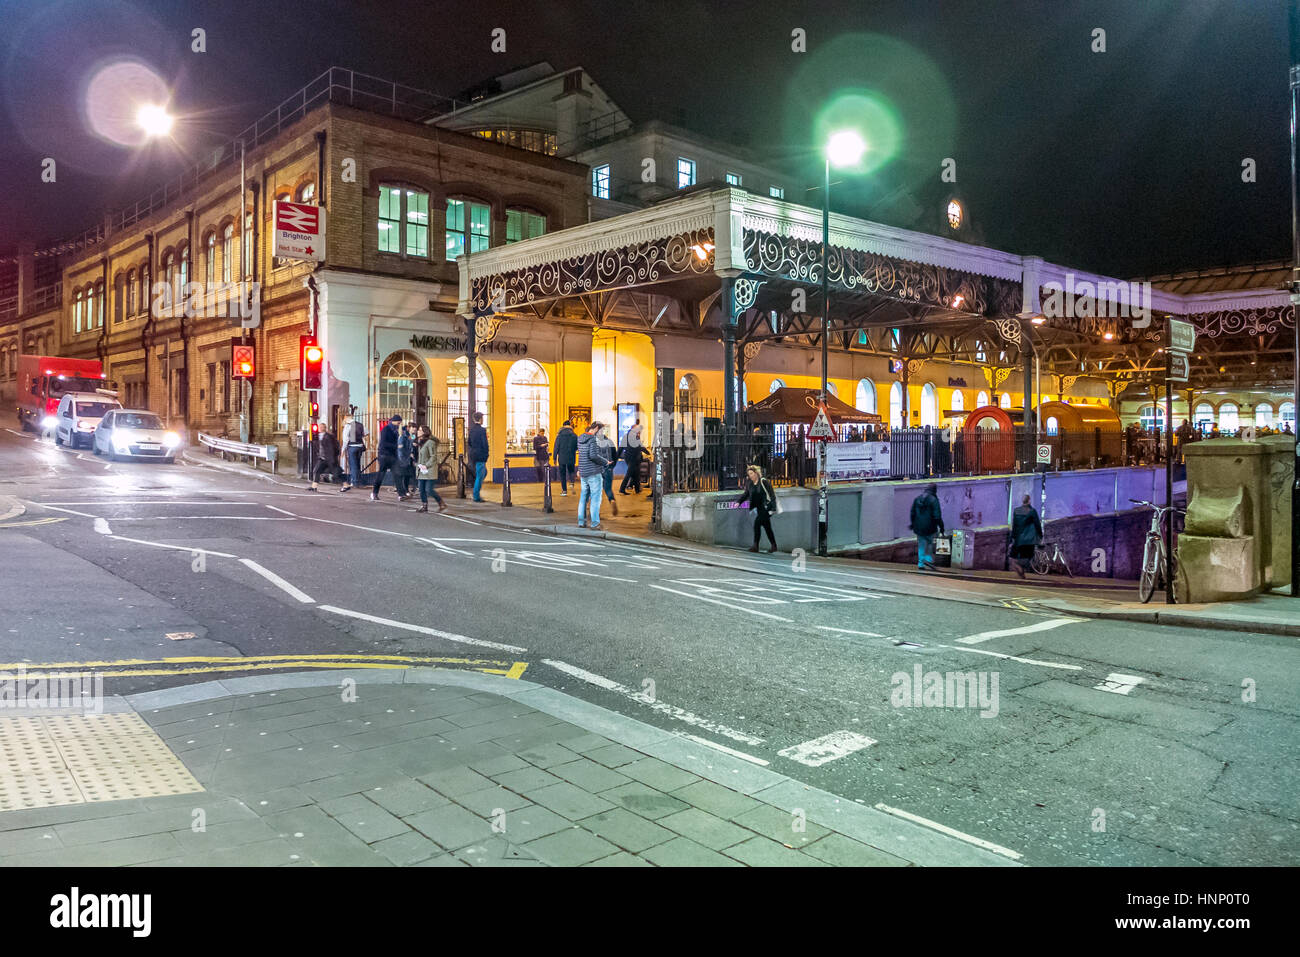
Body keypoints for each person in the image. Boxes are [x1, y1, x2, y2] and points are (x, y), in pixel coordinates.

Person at [736, 464, 779, 553]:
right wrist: (739, 502)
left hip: (766, 508)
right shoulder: (750, 484)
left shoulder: (764, 481)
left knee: (757, 524)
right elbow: (746, 494)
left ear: (756, 473)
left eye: (751, 473)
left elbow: (772, 495)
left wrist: (774, 508)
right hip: (759, 508)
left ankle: (755, 546)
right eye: (749, 474)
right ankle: (774, 545)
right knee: (767, 527)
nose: (750, 476)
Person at [576, 421, 609, 528]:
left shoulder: (580, 439)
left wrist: (579, 469)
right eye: (601, 430)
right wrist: (605, 462)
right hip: (594, 473)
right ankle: (595, 523)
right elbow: (593, 456)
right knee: (595, 498)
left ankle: (581, 522)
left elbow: (581, 456)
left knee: (583, 497)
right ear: (597, 428)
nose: (601, 433)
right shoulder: (593, 440)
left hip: (584, 472)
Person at [908, 482, 945, 571]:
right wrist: (941, 527)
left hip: (918, 527)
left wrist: (913, 524)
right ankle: (928, 559)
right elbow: (937, 516)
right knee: (931, 543)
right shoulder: (934, 500)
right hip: (930, 527)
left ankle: (921, 563)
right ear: (934, 490)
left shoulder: (917, 499)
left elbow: (912, 513)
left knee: (921, 544)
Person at [1010, 494, 1043, 578]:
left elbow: (1014, 525)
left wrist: (1013, 537)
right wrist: (1040, 535)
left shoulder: (1016, 511)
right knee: (1029, 556)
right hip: (1029, 539)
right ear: (1029, 501)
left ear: (1022, 501)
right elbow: (1037, 524)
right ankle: (1021, 568)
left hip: (1018, 538)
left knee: (1014, 556)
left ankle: (1019, 568)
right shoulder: (1032, 511)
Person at [415, 425, 447, 513]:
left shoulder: (430, 442)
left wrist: (426, 465)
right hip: (421, 470)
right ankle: (424, 505)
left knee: (428, 489)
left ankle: (440, 502)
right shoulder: (420, 442)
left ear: (424, 432)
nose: (418, 431)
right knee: (421, 489)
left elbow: (433, 457)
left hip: (429, 470)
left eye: (420, 430)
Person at [370, 415, 402, 501]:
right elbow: (383, 443)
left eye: (400, 423)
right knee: (381, 474)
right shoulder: (386, 429)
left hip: (393, 456)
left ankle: (401, 494)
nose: (399, 424)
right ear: (394, 421)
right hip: (384, 455)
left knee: (397, 474)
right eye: (398, 422)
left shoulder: (395, 431)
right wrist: (396, 446)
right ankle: (374, 493)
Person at [597, 424, 619, 515]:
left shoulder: (594, 442)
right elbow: (615, 455)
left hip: (597, 469)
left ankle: (595, 510)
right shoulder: (610, 441)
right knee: (608, 488)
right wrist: (612, 466)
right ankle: (612, 500)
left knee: (596, 490)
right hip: (608, 468)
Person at [467, 411, 489, 502]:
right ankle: (476, 495)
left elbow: (469, 442)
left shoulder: (471, 430)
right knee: (480, 475)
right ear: (480, 419)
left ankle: (476, 487)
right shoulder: (482, 430)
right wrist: (486, 453)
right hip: (481, 455)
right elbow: (485, 443)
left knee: (483, 472)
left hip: (473, 455)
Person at [340, 414, 365, 491]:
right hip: (360, 446)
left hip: (352, 447)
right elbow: (366, 433)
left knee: (353, 465)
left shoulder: (348, 426)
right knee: (357, 464)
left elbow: (345, 440)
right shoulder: (360, 425)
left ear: (346, 418)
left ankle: (354, 482)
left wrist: (343, 450)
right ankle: (359, 481)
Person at [619, 420, 644, 494]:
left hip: (631, 457)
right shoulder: (633, 436)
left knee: (635, 473)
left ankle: (637, 489)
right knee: (630, 473)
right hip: (633, 458)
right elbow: (639, 447)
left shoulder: (628, 435)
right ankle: (622, 488)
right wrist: (647, 452)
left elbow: (621, 447)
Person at [553, 420, 578, 496]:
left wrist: (554, 458)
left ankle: (564, 491)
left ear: (563, 426)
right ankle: (571, 483)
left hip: (562, 458)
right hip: (571, 456)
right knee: (571, 471)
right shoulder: (574, 435)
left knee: (562, 474)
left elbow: (556, 447)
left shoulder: (559, 436)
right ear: (570, 426)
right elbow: (577, 446)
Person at [395, 423, 414, 501]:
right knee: (403, 476)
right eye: (413, 428)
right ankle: (403, 492)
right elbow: (400, 450)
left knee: (408, 475)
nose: (414, 430)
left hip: (409, 459)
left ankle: (406, 491)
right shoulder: (403, 437)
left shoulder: (412, 436)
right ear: (408, 428)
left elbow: (412, 444)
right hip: (404, 460)